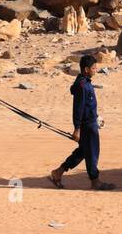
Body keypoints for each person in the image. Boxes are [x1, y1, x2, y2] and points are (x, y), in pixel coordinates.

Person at [49, 55, 115, 191]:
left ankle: (58, 172)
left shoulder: (86, 82)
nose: (96, 70)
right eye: (94, 68)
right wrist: (77, 129)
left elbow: (88, 106)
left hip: (91, 122)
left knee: (83, 152)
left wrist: (97, 117)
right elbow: (78, 109)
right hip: (87, 126)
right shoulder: (82, 86)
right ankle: (95, 181)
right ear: (86, 69)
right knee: (92, 152)